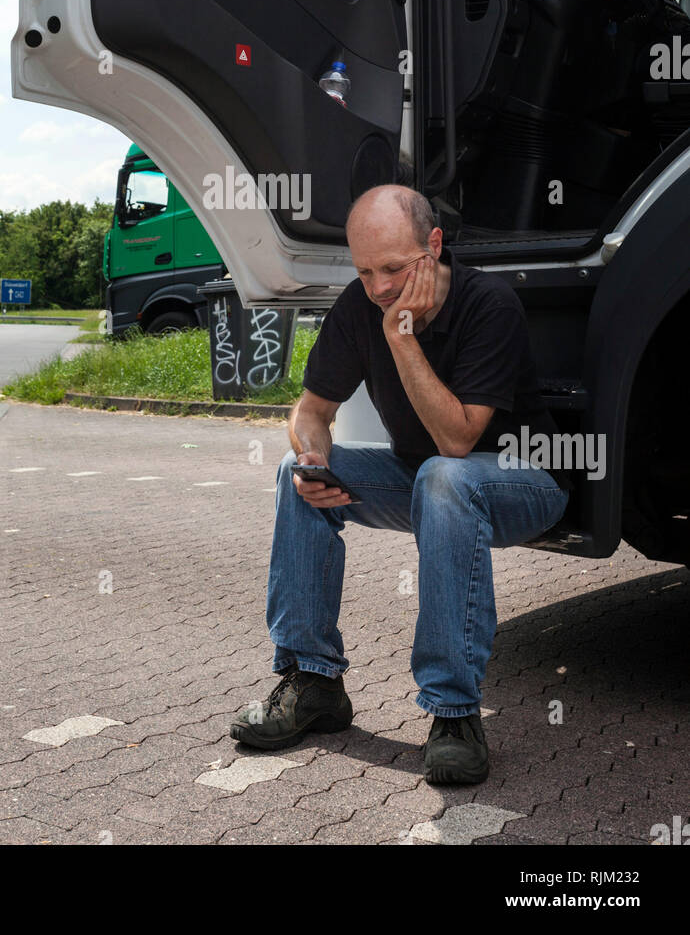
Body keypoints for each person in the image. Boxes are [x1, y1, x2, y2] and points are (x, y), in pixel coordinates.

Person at [230, 184, 571, 784]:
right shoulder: (358, 307)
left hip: (526, 480)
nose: (380, 287)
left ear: (434, 245)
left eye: (393, 268)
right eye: (364, 271)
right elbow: (312, 411)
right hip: (424, 481)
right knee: (293, 475)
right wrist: (312, 458)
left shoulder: (488, 304)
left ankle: (454, 713)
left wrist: (401, 336)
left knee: (445, 474)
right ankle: (313, 681)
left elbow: (458, 441)